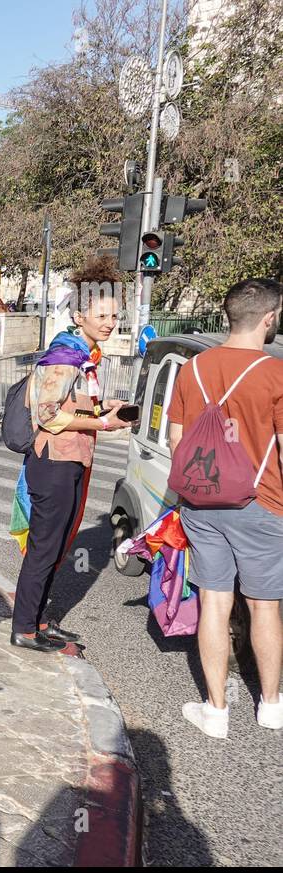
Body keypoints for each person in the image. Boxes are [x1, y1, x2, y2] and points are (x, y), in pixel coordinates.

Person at [168, 278, 283, 737]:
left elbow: (178, 440)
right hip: (262, 501)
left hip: (201, 501)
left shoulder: (193, 368)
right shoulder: (275, 374)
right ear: (270, 318)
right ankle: (271, 705)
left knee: (214, 602)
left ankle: (216, 711)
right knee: (265, 607)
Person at [10, 257, 130, 652]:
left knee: (57, 546)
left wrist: (103, 407)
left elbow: (71, 403)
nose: (110, 322)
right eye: (102, 315)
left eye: (115, 314)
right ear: (79, 315)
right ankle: (25, 629)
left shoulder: (83, 355)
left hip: (70, 460)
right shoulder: (65, 356)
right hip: (54, 463)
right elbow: (47, 413)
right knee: (45, 548)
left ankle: (40, 618)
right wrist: (102, 423)